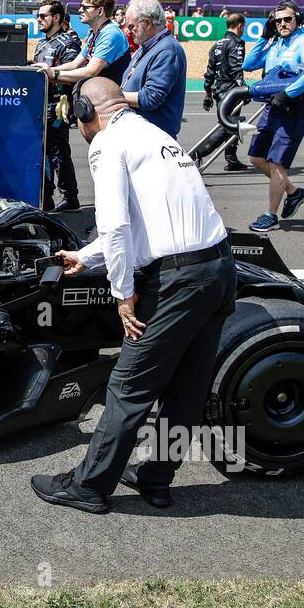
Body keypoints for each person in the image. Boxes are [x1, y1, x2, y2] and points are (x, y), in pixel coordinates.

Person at [31, 77, 235, 514]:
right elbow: (145, 221)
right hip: (217, 270)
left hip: (176, 281)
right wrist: (87, 257)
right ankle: (156, 479)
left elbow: (117, 226)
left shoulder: (107, 144)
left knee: (129, 385)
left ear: (88, 111)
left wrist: (123, 295)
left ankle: (89, 485)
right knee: (186, 386)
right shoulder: (155, 134)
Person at [243, 1, 304, 233]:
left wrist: (288, 93)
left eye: (287, 19)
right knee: (256, 158)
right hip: (273, 106)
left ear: (297, 19)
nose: (282, 24)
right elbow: (248, 65)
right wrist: (264, 36)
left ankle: (271, 215)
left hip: (292, 107)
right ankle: (294, 192)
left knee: (277, 163)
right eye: (277, 20)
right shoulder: (276, 42)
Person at [34, 0, 83, 211]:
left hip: (57, 107)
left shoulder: (68, 43)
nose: (39, 19)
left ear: (56, 17)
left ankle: (70, 197)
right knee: (42, 153)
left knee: (58, 153)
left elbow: (72, 76)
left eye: (43, 16)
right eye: (38, 15)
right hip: (39, 105)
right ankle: (46, 197)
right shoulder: (41, 43)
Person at [118, 0, 187, 138]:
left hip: (152, 139)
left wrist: (113, 96)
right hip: (140, 133)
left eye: (132, 26)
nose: (129, 31)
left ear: (147, 23)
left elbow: (151, 98)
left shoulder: (167, 50)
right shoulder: (147, 46)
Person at [39, 0, 130, 93]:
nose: (80, 10)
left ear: (100, 11)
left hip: (113, 99)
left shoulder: (111, 33)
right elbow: (75, 64)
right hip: (102, 93)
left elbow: (90, 72)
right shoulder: (96, 32)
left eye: (85, 7)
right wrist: (45, 70)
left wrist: (54, 74)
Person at [203, 11, 248, 170]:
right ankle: (199, 153)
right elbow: (237, 68)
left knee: (232, 123)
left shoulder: (217, 43)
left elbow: (209, 71)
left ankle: (231, 159)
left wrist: (208, 92)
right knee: (228, 125)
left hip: (218, 89)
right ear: (240, 26)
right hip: (231, 89)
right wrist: (243, 88)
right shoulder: (236, 43)